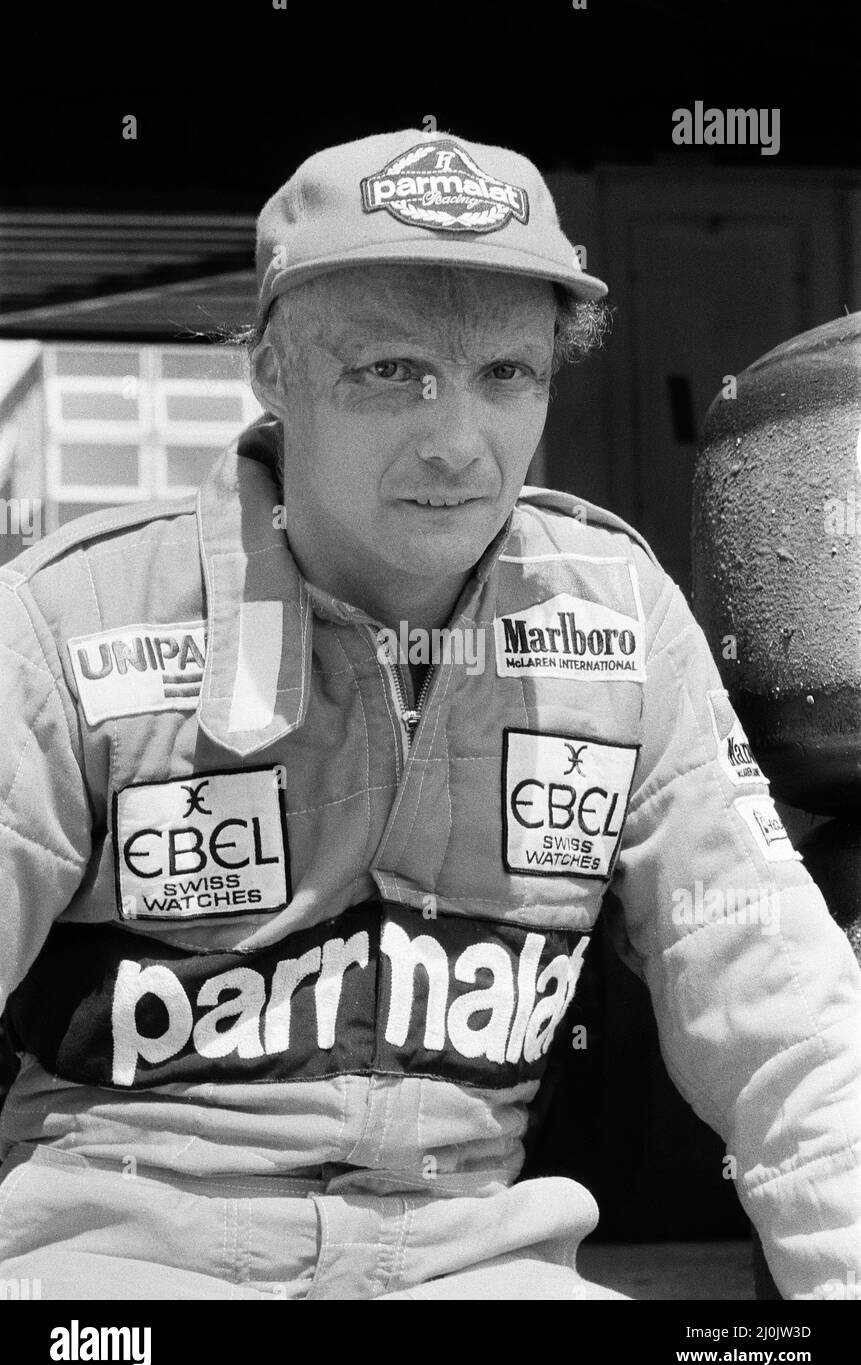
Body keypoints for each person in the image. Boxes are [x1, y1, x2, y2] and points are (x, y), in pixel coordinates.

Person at [0, 128, 858, 1301]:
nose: (458, 443)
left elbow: (793, 1031)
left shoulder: (612, 611)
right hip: (119, 1272)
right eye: (388, 371)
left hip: (477, 1270)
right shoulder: (72, 621)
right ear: (269, 366)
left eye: (506, 375)